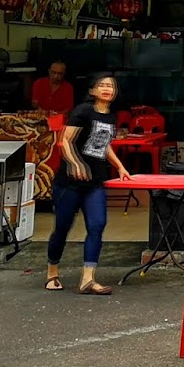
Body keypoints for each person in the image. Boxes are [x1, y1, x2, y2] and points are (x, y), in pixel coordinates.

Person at [45, 73, 131, 296]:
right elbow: (66, 140)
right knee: (62, 229)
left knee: (97, 225)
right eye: (101, 85)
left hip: (94, 182)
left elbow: (104, 144)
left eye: (110, 86)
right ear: (92, 91)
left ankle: (88, 279)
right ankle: (52, 273)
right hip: (69, 183)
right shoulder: (83, 111)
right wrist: (76, 163)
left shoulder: (111, 116)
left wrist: (120, 167)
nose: (106, 89)